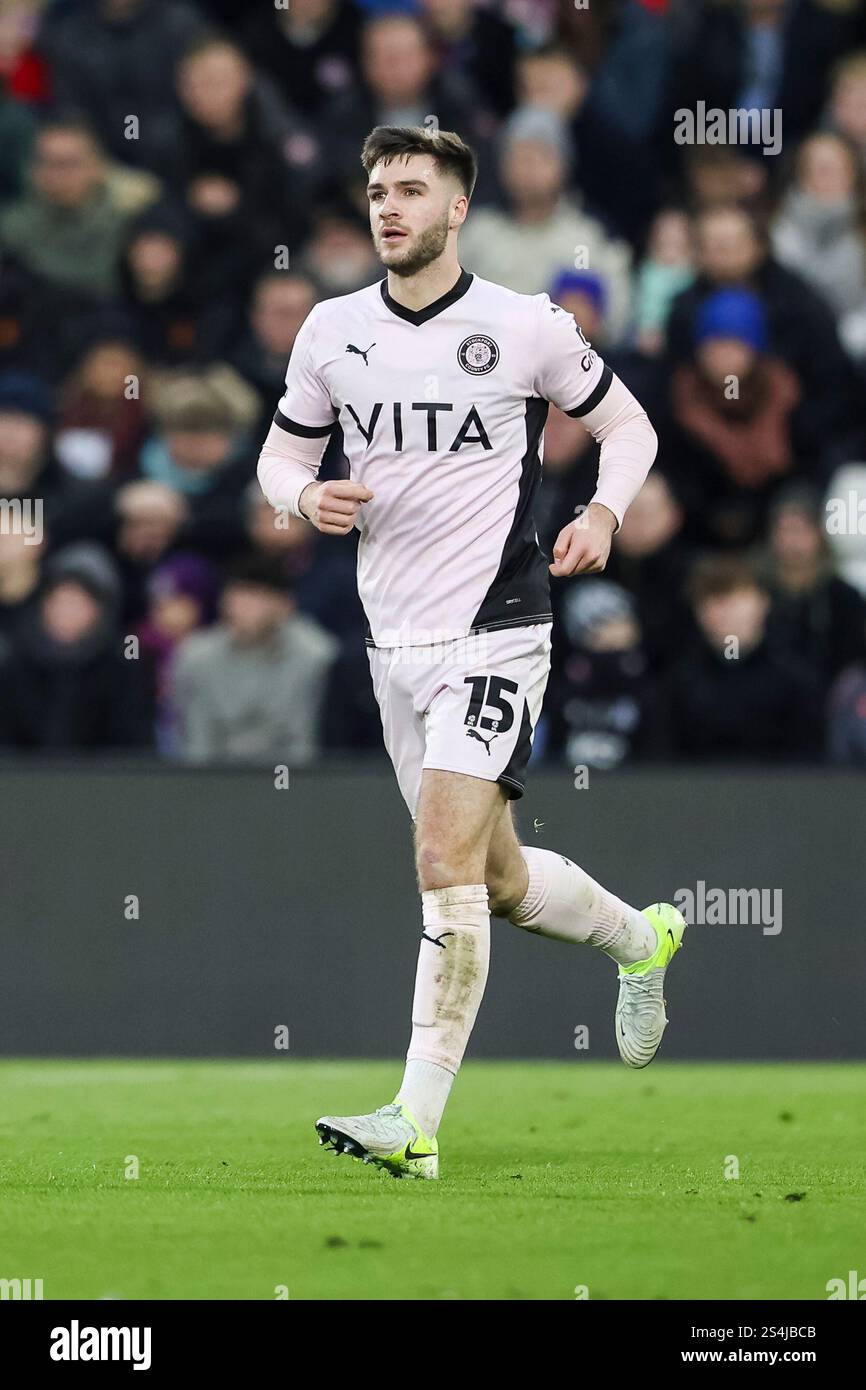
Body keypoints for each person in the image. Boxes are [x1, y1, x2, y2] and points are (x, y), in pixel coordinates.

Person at [257, 125, 685, 1180]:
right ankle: (641, 939)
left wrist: (604, 513)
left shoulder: (525, 325)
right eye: (375, 190)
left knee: (439, 860)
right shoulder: (328, 330)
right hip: (389, 641)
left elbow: (630, 429)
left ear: (456, 210)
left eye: (411, 189)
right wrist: (305, 494)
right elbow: (277, 457)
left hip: (496, 630)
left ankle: (415, 1119)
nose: (387, 206)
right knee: (487, 878)